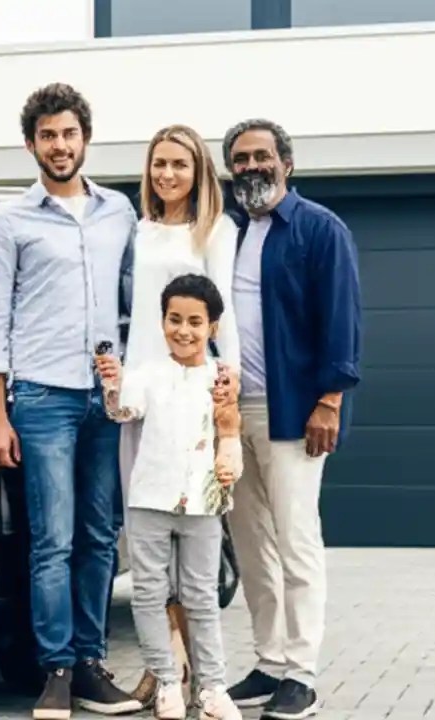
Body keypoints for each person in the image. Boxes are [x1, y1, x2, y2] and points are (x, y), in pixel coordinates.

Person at [0, 82, 142, 720]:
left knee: (99, 536)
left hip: (107, 400)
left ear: (85, 139)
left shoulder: (118, 212)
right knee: (52, 541)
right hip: (42, 398)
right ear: (31, 145)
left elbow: (135, 299)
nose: (60, 145)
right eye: (48, 136)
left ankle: (92, 665)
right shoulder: (10, 222)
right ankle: (57, 672)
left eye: (69, 133)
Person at [219, 118, 363, 720]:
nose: (251, 166)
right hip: (232, 415)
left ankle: (301, 672)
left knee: (297, 541)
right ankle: (269, 660)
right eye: (240, 158)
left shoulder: (319, 229)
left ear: (286, 163)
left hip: (295, 411)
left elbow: (342, 318)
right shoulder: (227, 233)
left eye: (262, 155)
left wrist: (330, 400)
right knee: (252, 545)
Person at [118, 123, 242, 706]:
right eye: (159, 163)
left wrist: (228, 382)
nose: (167, 174)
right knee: (147, 541)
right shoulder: (138, 229)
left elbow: (225, 310)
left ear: (199, 173)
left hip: (193, 390)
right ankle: (167, 669)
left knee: (194, 543)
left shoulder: (215, 228)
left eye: (180, 164)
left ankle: (202, 676)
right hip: (141, 390)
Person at [97, 273, 245, 720]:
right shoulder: (147, 375)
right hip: (150, 500)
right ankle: (167, 683)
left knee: (201, 595)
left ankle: (212, 687)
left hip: (203, 503)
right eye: (174, 319)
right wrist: (113, 382)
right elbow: (122, 411)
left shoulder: (221, 378)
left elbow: (229, 430)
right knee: (149, 594)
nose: (183, 330)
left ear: (212, 326)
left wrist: (229, 462)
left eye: (195, 322)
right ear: (162, 321)